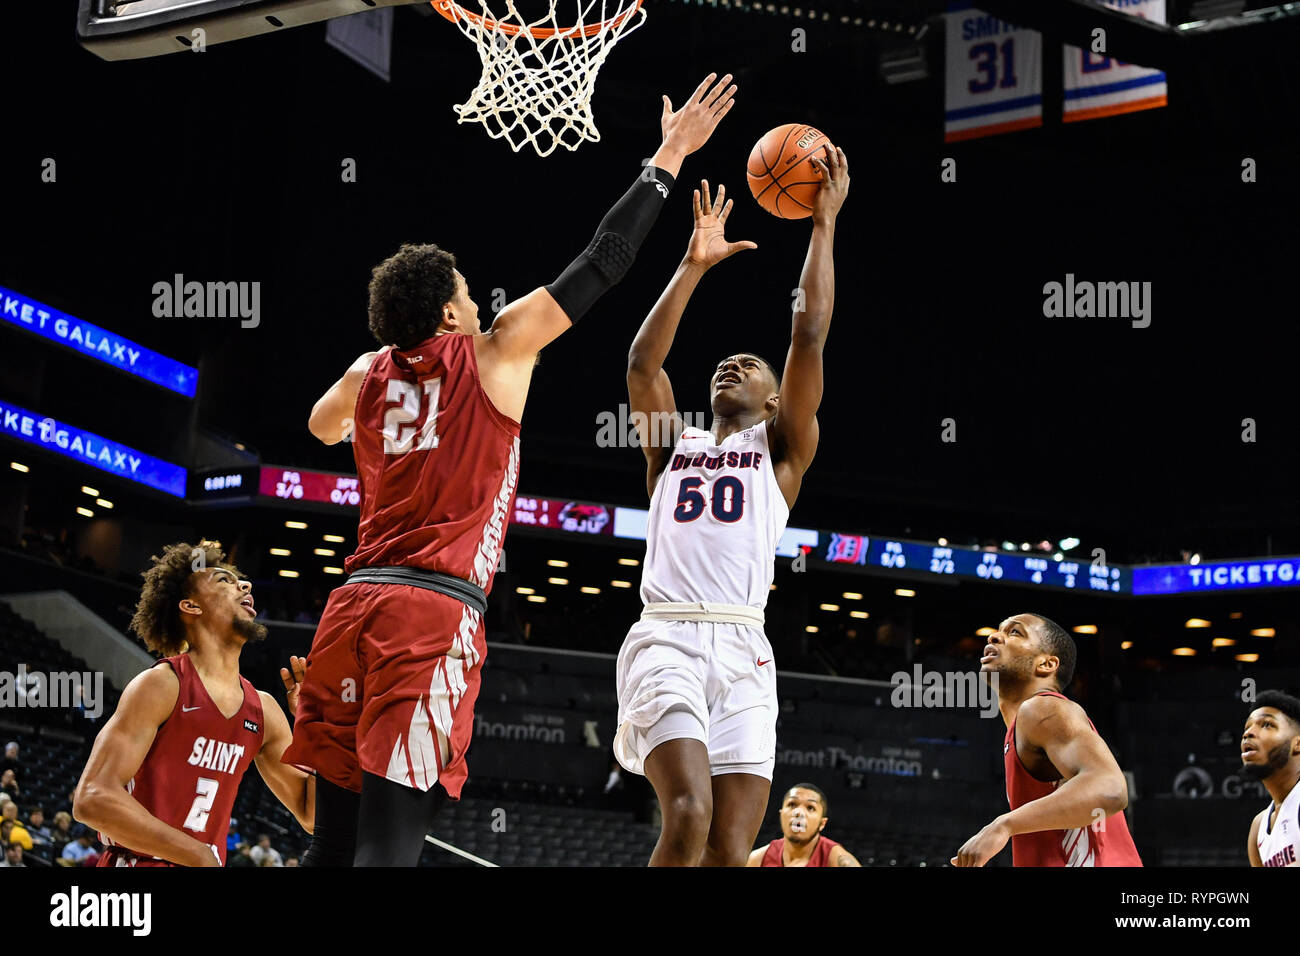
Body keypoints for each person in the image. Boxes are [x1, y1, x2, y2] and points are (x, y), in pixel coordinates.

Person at [281, 72, 739, 868]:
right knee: (390, 847)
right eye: (465, 288)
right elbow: (602, 262)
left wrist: (382, 371)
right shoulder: (494, 349)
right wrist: (668, 155)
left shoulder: (365, 375)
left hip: (350, 607)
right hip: (427, 614)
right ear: (455, 313)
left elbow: (319, 424)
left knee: (334, 841)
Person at [613, 148, 850, 866]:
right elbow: (642, 366)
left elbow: (807, 332)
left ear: (776, 401)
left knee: (726, 850)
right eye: (724, 362)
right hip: (668, 641)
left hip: (747, 649)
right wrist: (691, 266)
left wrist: (823, 226)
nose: (731, 365)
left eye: (750, 364)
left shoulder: (780, 456)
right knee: (686, 814)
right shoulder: (670, 447)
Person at [72, 541, 315, 867]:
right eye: (224, 581)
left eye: (239, 580)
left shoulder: (264, 710)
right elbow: (91, 798)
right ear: (191, 607)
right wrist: (198, 854)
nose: (245, 584)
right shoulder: (162, 685)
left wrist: (317, 728)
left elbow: (311, 814)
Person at [954, 613, 1142, 867]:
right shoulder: (1025, 727)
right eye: (998, 630)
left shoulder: (1043, 709)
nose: (994, 636)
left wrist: (1003, 825)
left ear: (1046, 664)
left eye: (1014, 632)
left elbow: (1110, 788)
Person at [1242, 690, 1300, 867]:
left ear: (1297, 744)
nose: (1248, 733)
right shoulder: (1258, 827)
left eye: (1267, 725)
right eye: (1247, 727)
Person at [747, 783, 860, 867]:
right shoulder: (758, 859)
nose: (799, 813)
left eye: (810, 807)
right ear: (781, 815)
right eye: (792, 804)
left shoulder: (836, 859)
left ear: (822, 823)